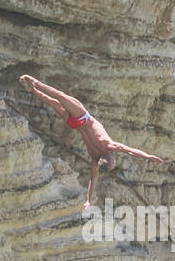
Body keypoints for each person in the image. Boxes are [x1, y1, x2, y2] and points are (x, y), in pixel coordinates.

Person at [19, 75, 163, 209]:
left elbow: (130, 151)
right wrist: (88, 199)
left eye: (114, 162)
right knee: (52, 102)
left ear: (110, 158)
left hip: (83, 118)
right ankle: (32, 89)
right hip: (74, 124)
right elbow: (93, 180)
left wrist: (148, 156)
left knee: (59, 96)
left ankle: (34, 82)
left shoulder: (108, 145)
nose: (115, 161)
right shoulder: (95, 160)